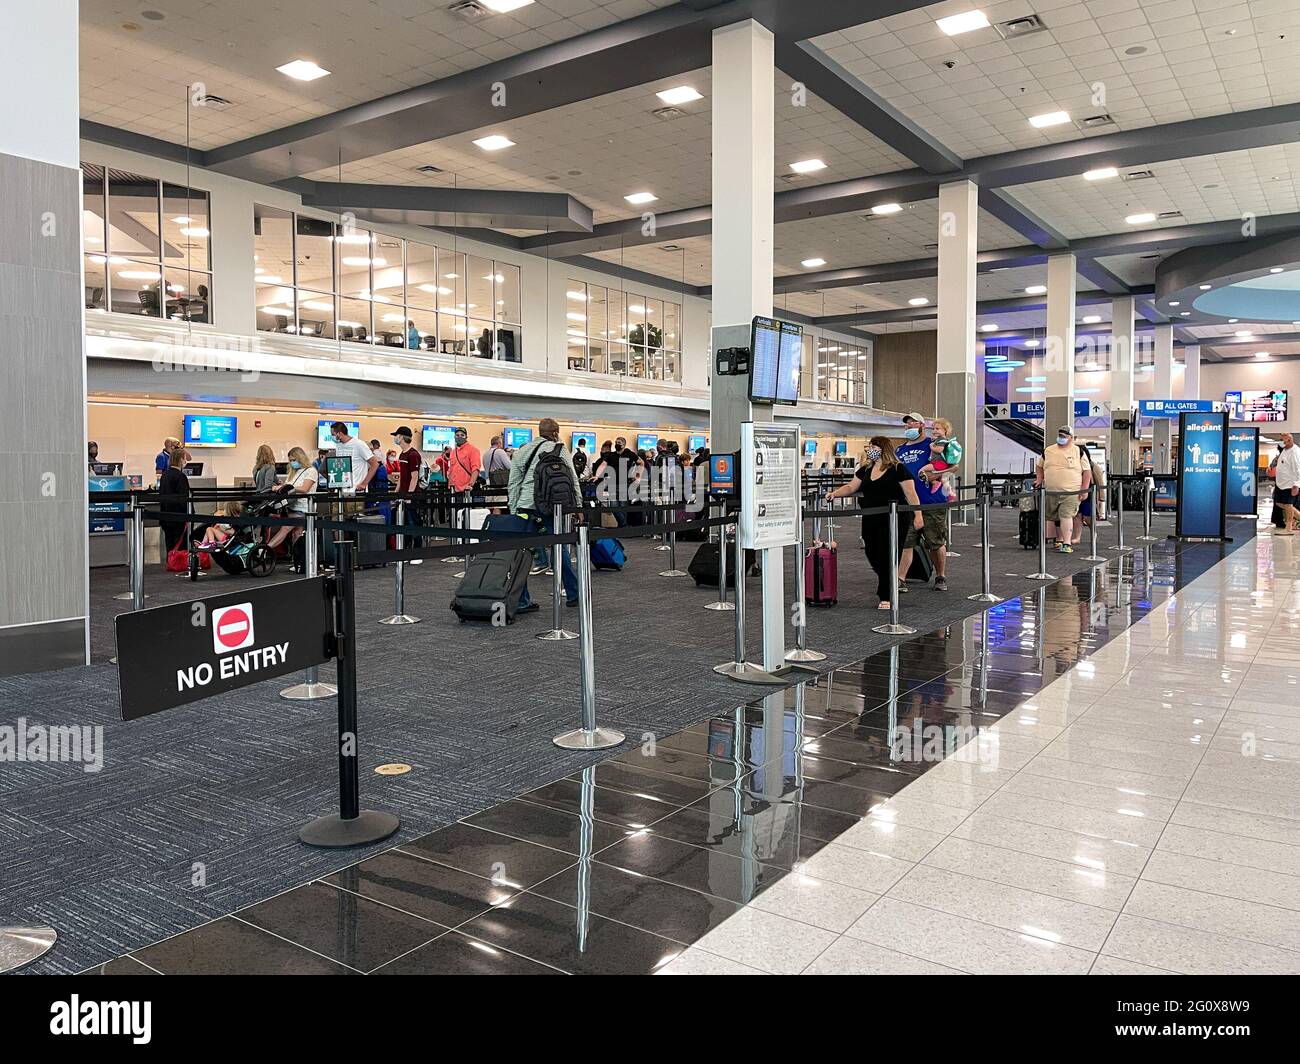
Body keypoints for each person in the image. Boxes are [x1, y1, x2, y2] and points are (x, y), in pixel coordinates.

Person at [826, 436, 923, 610]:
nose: (869, 449)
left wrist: (918, 515)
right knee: (872, 552)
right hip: (871, 517)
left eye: (873, 446)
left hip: (895, 518)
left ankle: (885, 594)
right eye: (869, 446)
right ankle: (889, 580)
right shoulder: (865, 470)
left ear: (883, 449)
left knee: (888, 554)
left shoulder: (898, 469)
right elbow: (851, 487)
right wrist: (835, 493)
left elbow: (911, 493)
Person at [508, 417, 582, 606]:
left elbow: (514, 483)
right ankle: (573, 593)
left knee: (522, 552)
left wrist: (514, 509)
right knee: (559, 548)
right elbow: (573, 480)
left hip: (525, 506)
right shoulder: (560, 450)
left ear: (538, 431)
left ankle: (522, 601)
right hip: (550, 507)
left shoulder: (522, 451)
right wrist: (578, 506)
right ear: (556, 432)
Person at [894, 413, 952, 591]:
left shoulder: (933, 445)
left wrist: (931, 475)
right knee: (906, 542)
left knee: (935, 542)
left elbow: (949, 465)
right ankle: (900, 579)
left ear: (921, 425)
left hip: (931, 501)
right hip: (908, 504)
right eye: (907, 423)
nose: (909, 425)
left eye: (913, 422)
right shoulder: (899, 451)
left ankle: (940, 576)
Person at [1035, 425, 1091, 554]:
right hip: (1051, 491)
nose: (1061, 438)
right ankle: (1059, 540)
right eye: (1060, 435)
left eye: (1064, 436)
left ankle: (1067, 543)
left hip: (1071, 492)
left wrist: (1084, 490)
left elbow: (1087, 472)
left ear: (1071, 438)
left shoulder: (1079, 451)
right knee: (1055, 517)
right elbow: (1039, 466)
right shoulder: (1048, 450)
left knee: (1066, 516)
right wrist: (1039, 479)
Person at [266, 446, 317, 552]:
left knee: (285, 529)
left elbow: (304, 488)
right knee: (296, 533)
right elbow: (289, 486)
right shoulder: (294, 472)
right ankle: (298, 562)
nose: (292, 463)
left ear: (301, 458)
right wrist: (282, 486)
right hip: (292, 506)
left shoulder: (311, 471)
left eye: (294, 460)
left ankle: (265, 550)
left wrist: (285, 487)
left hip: (303, 508)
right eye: (290, 461)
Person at [328, 422, 378, 498]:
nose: (332, 437)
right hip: (341, 490)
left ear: (339, 434)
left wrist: (364, 484)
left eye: (333, 434)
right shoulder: (338, 445)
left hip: (356, 490)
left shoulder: (358, 444)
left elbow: (375, 464)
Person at [918, 417, 961, 501]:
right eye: (933, 428)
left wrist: (931, 446)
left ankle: (934, 482)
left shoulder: (941, 440)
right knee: (944, 479)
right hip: (942, 463)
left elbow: (939, 450)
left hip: (938, 463)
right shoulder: (942, 439)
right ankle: (951, 494)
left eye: (937, 429)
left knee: (921, 471)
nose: (934, 431)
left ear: (945, 430)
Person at [158, 449, 191, 552]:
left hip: (166, 516)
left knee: (170, 543)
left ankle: (171, 562)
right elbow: (184, 498)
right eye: (184, 458)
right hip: (179, 517)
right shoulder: (180, 476)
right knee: (180, 545)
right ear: (181, 459)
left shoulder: (165, 475)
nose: (185, 461)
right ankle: (179, 564)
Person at [1273, 432, 1300, 535]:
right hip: (1282, 483)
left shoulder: (1295, 452)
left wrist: (1296, 484)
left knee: (1288, 505)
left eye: (1282, 440)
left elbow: (1298, 469)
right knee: (1279, 503)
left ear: (1288, 440)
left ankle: (1288, 529)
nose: (1280, 442)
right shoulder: (1285, 450)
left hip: (1290, 484)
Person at [447, 426, 482, 494]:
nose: (459, 437)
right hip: (454, 489)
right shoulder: (453, 452)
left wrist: (470, 485)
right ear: (454, 437)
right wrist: (450, 485)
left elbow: (475, 469)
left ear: (466, 437)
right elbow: (451, 469)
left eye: (462, 435)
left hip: (467, 490)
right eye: (457, 435)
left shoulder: (473, 450)